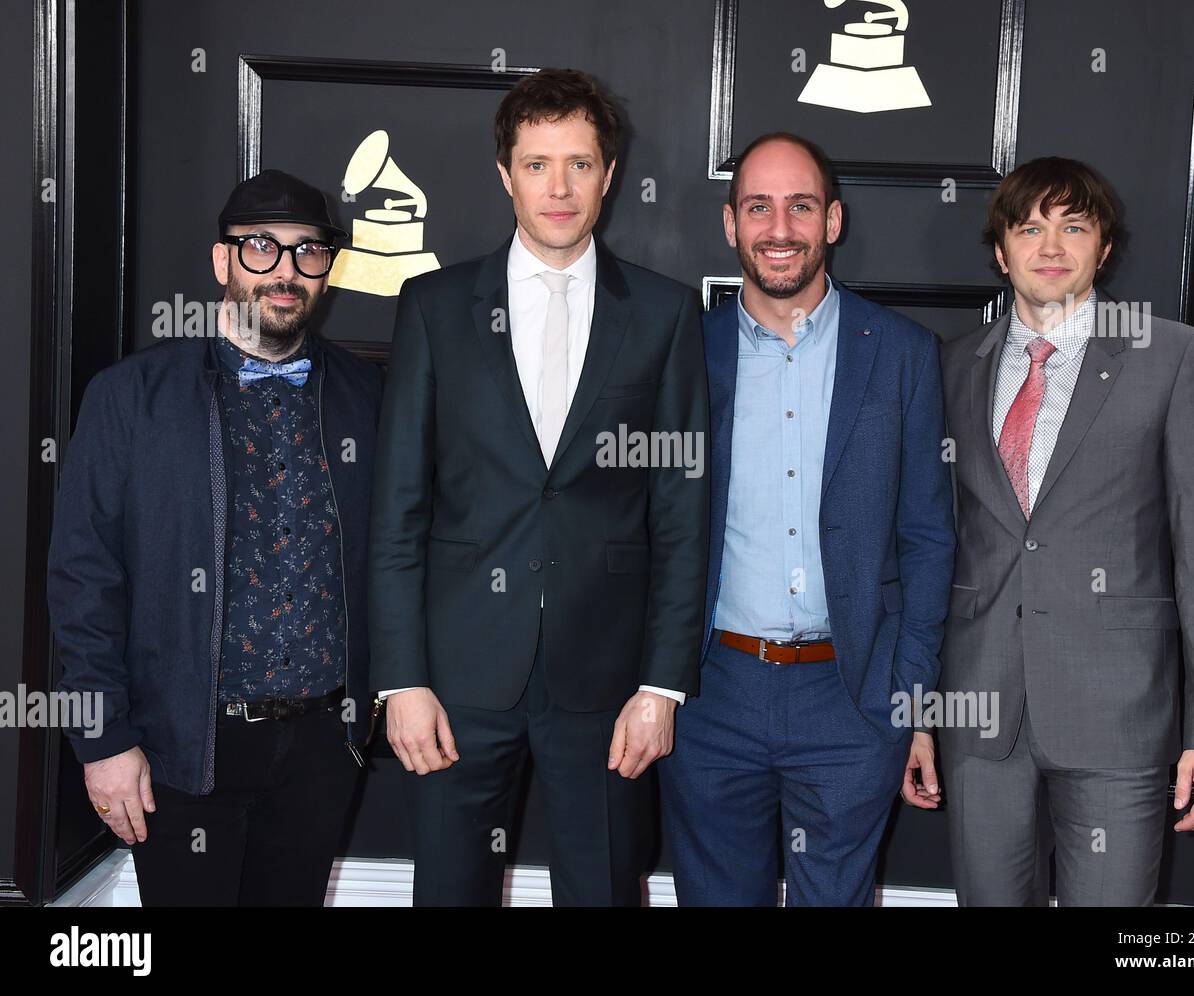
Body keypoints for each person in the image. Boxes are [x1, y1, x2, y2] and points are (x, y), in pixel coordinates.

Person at [368, 67, 709, 906]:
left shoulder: (664, 315)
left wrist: (661, 686)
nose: (559, 187)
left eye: (580, 164)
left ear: (610, 174)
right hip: (454, 679)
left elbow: (680, 513)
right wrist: (401, 679)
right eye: (537, 163)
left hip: (606, 685)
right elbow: (397, 510)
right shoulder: (434, 308)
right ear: (505, 173)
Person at [909, 156, 1194, 905]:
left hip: (1117, 714)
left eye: (1074, 226)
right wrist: (920, 713)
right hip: (979, 713)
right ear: (1001, 251)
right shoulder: (949, 368)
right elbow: (928, 547)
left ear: (1103, 247)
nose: (1051, 246)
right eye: (1029, 228)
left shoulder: (1171, 356)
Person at [48, 169, 383, 905]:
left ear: (330, 267)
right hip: (180, 744)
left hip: (324, 748)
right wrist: (102, 741)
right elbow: (83, 578)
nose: (286, 271)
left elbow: (399, 556)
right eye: (261, 248)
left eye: (308, 251)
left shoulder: (368, 398)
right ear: (222, 261)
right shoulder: (131, 398)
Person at [658, 132, 955, 906]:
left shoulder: (903, 354)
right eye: (758, 206)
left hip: (852, 698)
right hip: (711, 695)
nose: (779, 228)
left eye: (801, 206)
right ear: (730, 225)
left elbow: (928, 540)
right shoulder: (684, 351)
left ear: (834, 221)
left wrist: (911, 703)